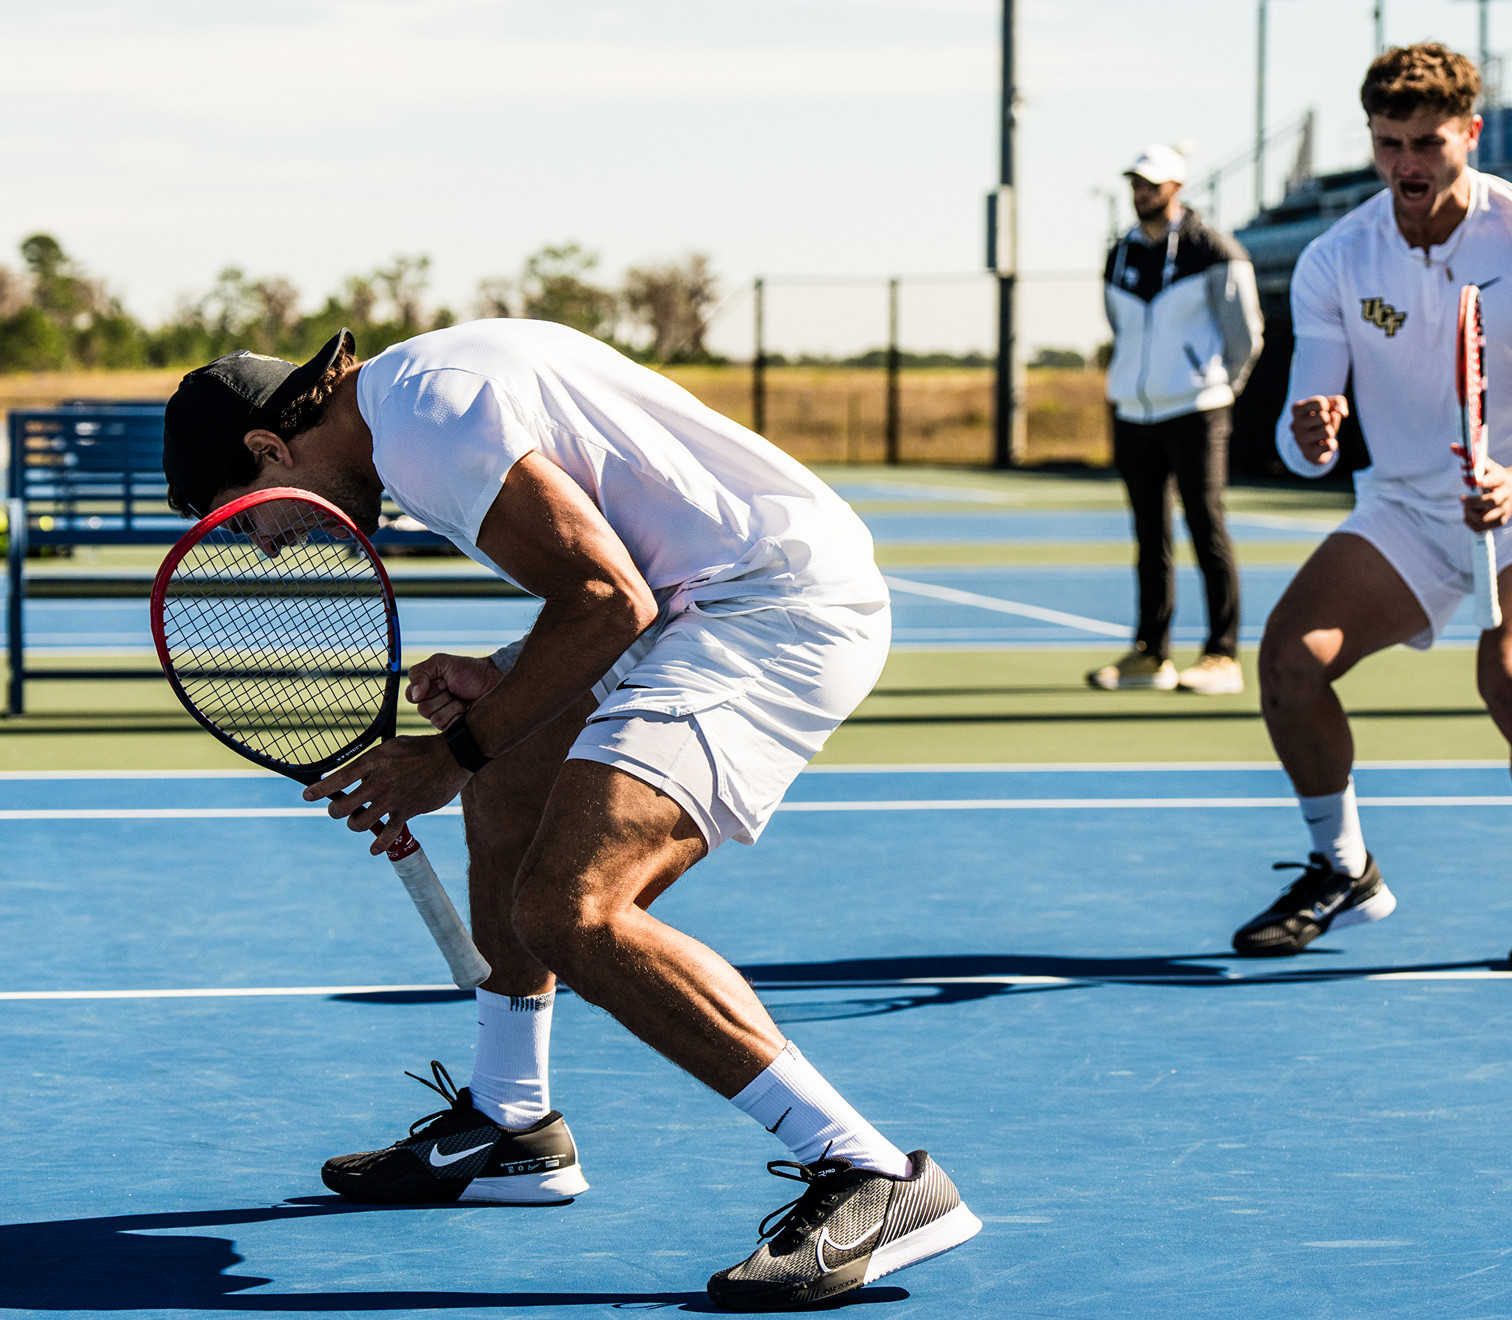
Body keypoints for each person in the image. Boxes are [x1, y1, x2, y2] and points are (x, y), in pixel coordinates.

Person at [160, 320, 980, 1311]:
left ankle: (871, 1174)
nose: (273, 542)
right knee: (508, 784)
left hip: (767, 612)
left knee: (573, 907)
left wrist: (447, 755)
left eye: (247, 517)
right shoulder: (416, 392)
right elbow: (626, 558)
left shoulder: (421, 420)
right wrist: (502, 682)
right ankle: (513, 1126)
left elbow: (606, 596)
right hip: (705, 599)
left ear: (269, 451)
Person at [1233, 43, 1512, 970]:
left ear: (1470, 135)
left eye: (1427, 143)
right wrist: (1312, 435)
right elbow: (1305, 432)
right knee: (1289, 663)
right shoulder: (1339, 257)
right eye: (1387, 143)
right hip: (1408, 507)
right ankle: (1343, 869)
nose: (1406, 163)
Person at [1089, 143, 1265, 695]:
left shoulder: (1213, 250)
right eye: (1136, 184)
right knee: (1150, 535)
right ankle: (1151, 654)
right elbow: (1122, 329)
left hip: (1196, 411)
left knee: (1207, 527)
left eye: (1152, 184)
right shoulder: (1119, 253)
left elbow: (1247, 336)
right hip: (1134, 414)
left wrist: (1214, 387)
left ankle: (1222, 655)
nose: (1142, 193)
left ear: (1176, 188)